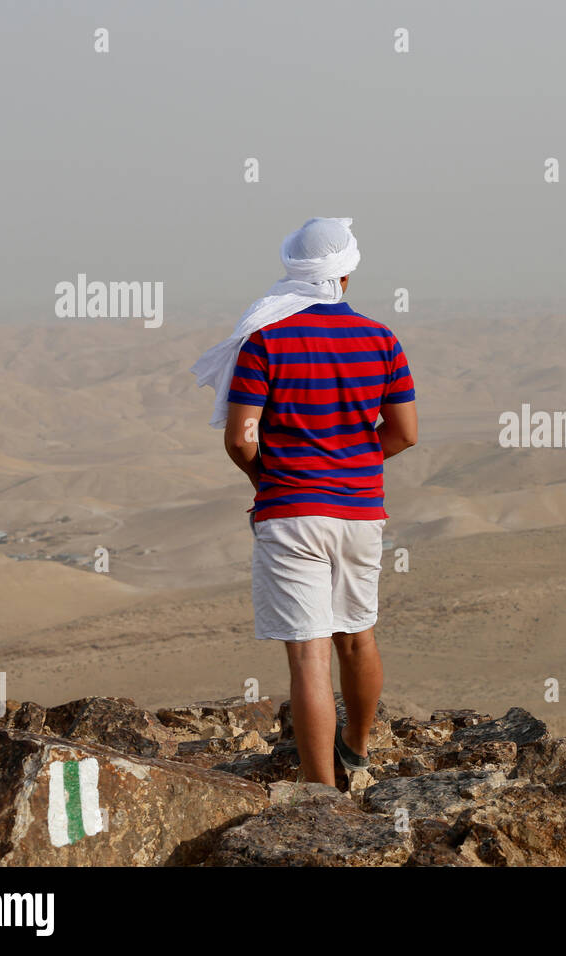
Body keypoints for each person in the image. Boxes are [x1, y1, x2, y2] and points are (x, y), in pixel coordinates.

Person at [191, 217, 417, 785]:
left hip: (291, 512)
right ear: (346, 274)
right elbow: (406, 432)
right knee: (358, 638)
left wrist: (272, 478)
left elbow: (241, 436)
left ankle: (320, 791)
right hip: (361, 512)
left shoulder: (266, 340)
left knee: (308, 656)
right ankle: (357, 753)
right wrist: (354, 465)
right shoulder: (382, 339)